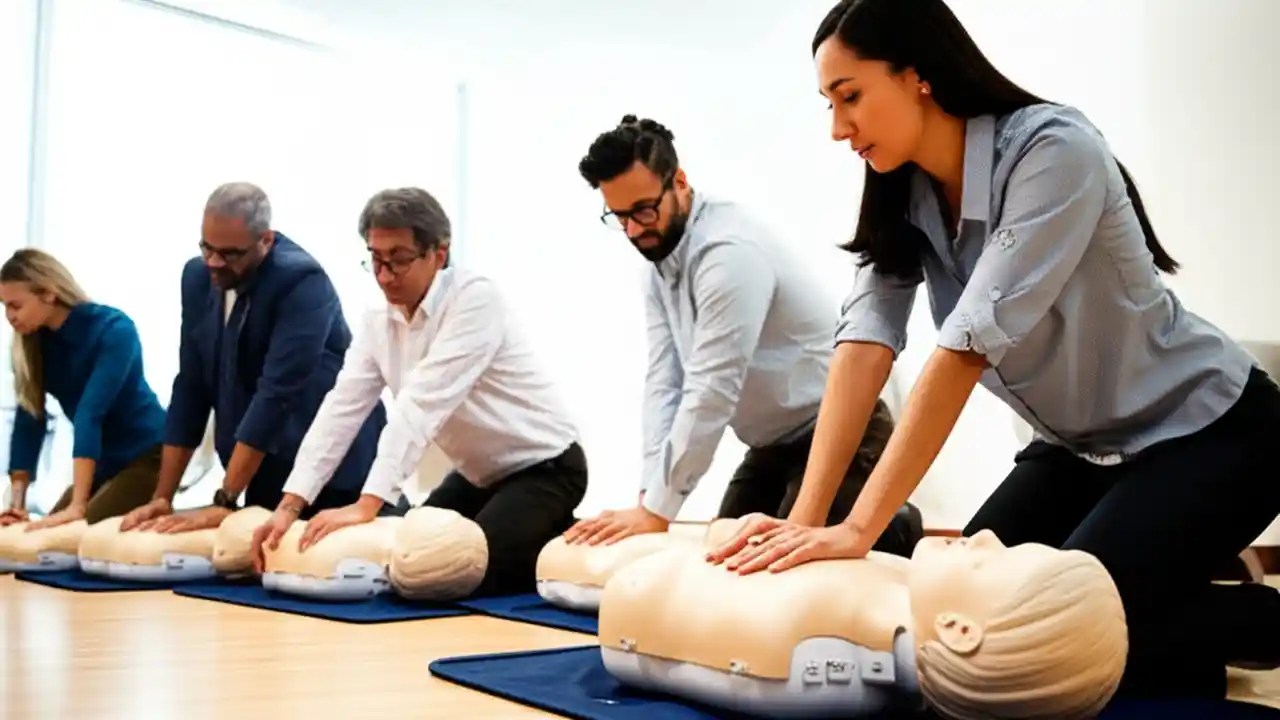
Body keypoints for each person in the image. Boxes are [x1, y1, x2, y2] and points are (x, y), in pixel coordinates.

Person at [708, 0, 1280, 700]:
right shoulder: (903, 194)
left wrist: (861, 527)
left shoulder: (1053, 150)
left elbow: (965, 345)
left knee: (1036, 637)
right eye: (828, 103)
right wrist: (806, 526)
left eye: (849, 97)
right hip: (1079, 450)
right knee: (954, 615)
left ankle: (1255, 619)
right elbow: (864, 343)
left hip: (1213, 434)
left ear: (918, 75)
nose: (837, 128)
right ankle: (1167, 594)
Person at [565, 114, 921, 555]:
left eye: (643, 210)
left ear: (678, 182)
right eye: (620, 218)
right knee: (719, 559)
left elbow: (712, 388)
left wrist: (660, 511)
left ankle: (896, 525)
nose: (634, 230)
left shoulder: (728, 254)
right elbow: (665, 384)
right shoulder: (658, 269)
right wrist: (647, 501)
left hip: (842, 433)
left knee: (784, 570)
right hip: (771, 448)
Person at [250, 187, 588, 597]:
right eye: (375, 259)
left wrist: (366, 504)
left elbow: (420, 404)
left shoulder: (476, 299)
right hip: (478, 475)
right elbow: (340, 410)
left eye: (399, 260)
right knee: (412, 556)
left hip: (545, 466)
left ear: (438, 255)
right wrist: (290, 506)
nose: (385, 275)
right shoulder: (378, 319)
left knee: (460, 571)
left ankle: (564, 535)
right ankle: (532, 527)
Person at [118, 182, 385, 533]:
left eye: (229, 254)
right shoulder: (197, 278)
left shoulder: (301, 280)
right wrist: (163, 497)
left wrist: (225, 500)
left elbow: (277, 394)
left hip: (336, 473)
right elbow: (191, 387)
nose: (213, 262)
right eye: (206, 247)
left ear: (266, 240)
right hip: (263, 471)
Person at [1, 249, 166, 528]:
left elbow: (90, 413)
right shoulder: (36, 345)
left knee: (74, 534)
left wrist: (78, 506)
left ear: (48, 294)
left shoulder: (114, 329)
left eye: (15, 306)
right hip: (104, 462)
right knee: (40, 538)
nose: (9, 316)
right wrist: (15, 506)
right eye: (4, 306)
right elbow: (30, 419)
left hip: (150, 455)